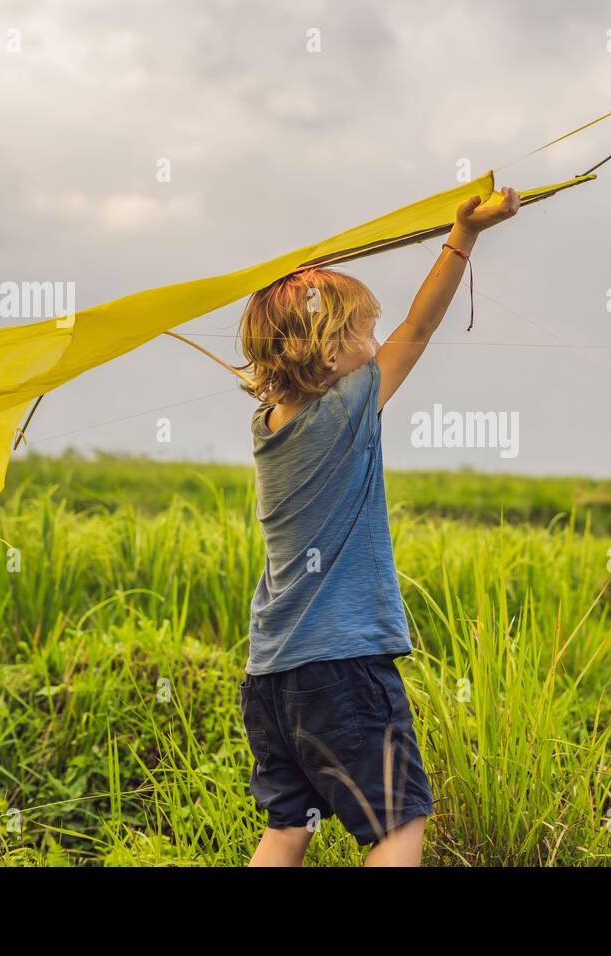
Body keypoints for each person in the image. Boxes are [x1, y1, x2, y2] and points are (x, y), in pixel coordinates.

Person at [236, 186, 521, 865]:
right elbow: (420, 329)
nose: (377, 341)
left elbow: (369, 339)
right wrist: (463, 237)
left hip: (271, 678)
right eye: (364, 330)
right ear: (330, 355)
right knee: (398, 827)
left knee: (289, 826)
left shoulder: (266, 427)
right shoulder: (345, 408)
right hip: (342, 666)